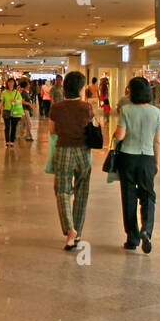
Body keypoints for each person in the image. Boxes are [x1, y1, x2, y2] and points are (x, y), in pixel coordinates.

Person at [113, 76, 160, 254]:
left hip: (128, 157)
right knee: (148, 196)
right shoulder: (155, 112)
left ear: (131, 92)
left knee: (129, 196)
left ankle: (132, 238)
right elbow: (157, 141)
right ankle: (146, 230)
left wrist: (115, 134)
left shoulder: (126, 110)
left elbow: (120, 136)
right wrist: (157, 162)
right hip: (147, 157)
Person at [49, 71, 95, 251]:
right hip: (84, 152)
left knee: (62, 191)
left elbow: (53, 130)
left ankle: (70, 230)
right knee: (82, 190)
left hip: (64, 151)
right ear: (81, 89)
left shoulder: (57, 108)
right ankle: (78, 232)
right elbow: (92, 127)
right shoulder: (87, 107)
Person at [0, 77, 23, 147]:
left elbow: (21, 101)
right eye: (9, 82)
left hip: (15, 111)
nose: (11, 84)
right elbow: (2, 102)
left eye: (12, 82)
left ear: (14, 84)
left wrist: (16, 101)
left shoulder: (17, 93)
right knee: (7, 127)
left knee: (13, 126)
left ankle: (12, 141)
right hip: (6, 111)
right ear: (7, 83)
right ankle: (7, 141)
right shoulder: (4, 92)